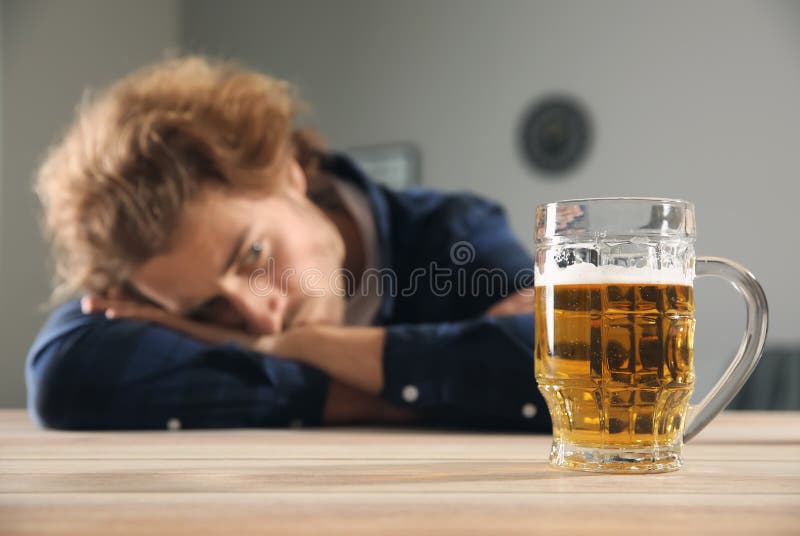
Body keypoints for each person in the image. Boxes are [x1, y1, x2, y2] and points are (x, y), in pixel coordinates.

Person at [26, 55, 550, 432]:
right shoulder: (158, 288)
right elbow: (64, 372)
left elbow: (575, 363)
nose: (261, 319)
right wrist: (401, 393)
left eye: (254, 255)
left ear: (286, 172)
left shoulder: (454, 234)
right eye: (207, 309)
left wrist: (296, 349)